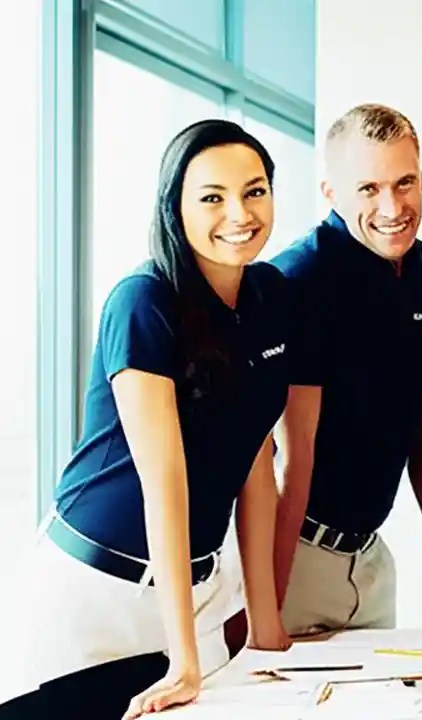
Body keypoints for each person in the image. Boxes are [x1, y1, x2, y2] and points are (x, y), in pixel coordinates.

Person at [14, 119, 292, 718]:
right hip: (95, 596)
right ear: (175, 207)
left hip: (195, 588)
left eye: (255, 190)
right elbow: (163, 484)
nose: (239, 213)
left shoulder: (270, 297)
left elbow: (256, 460)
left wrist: (267, 625)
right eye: (212, 198)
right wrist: (183, 660)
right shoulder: (143, 301)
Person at [270, 104, 422, 636]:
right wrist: (268, 610)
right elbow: (291, 460)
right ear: (330, 192)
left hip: (371, 561)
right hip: (295, 556)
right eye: (369, 189)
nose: (393, 207)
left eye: (405, 183)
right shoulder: (299, 280)